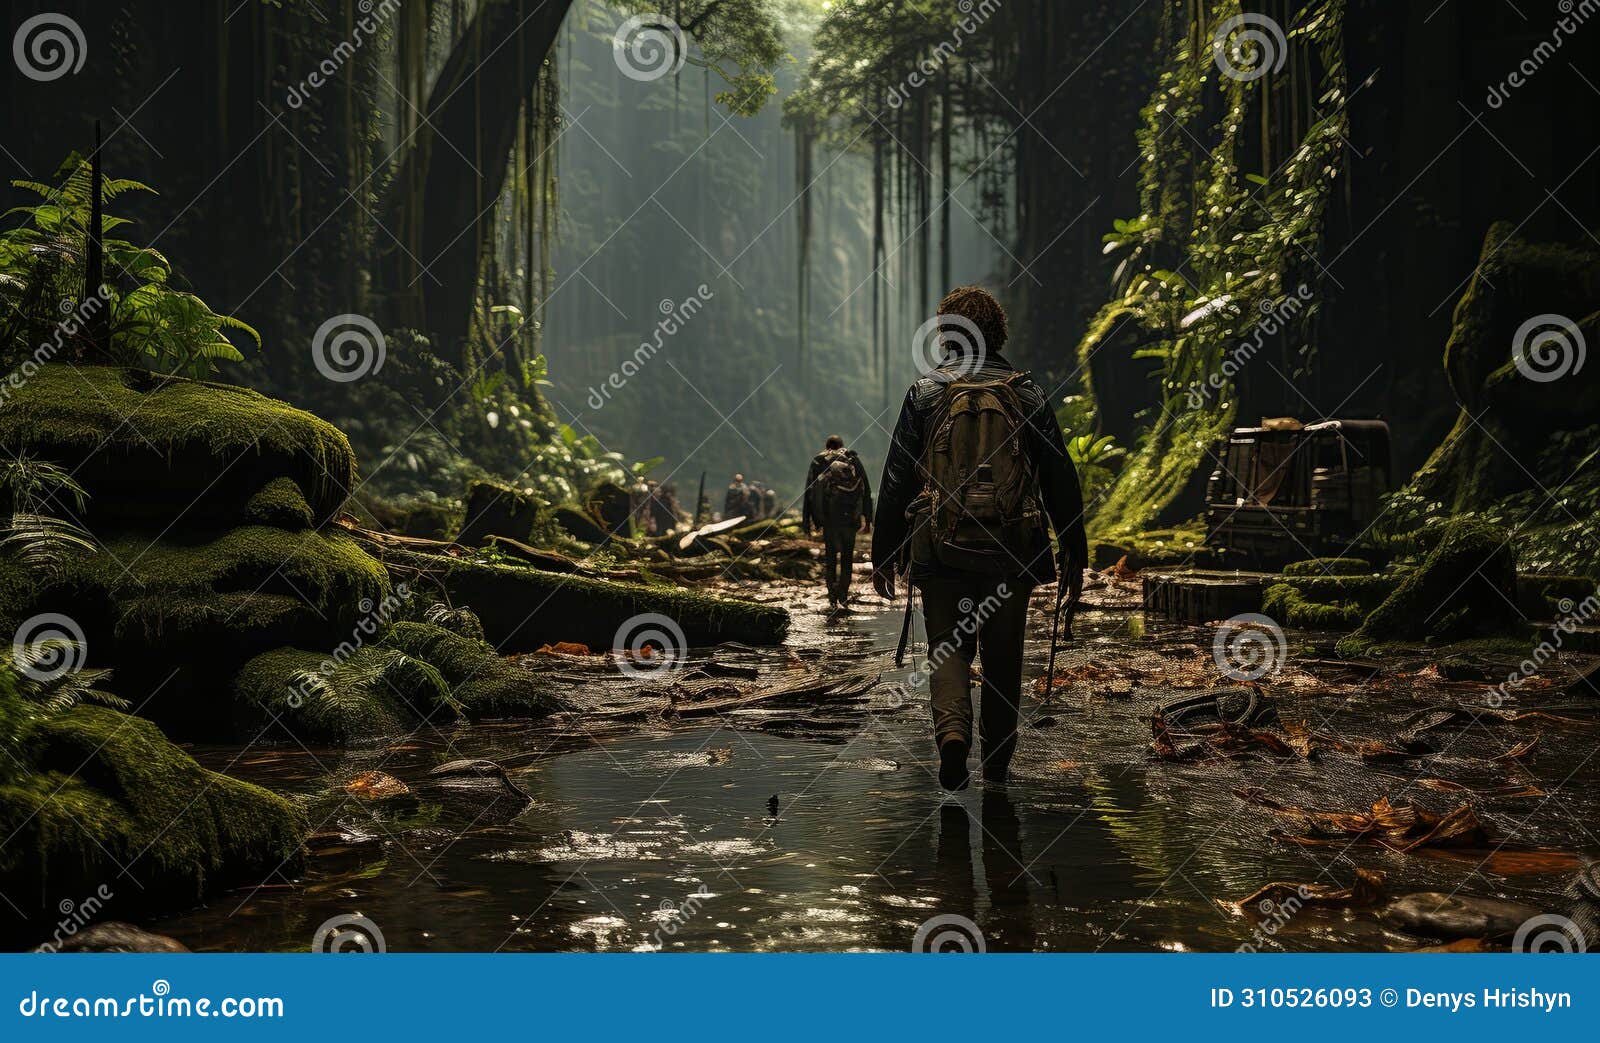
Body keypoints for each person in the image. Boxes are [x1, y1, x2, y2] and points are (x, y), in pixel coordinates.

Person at [871, 286, 1087, 791]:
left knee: (948, 649)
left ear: (947, 335)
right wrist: (1074, 550)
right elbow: (1059, 476)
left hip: (940, 547)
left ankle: (953, 737)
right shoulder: (1026, 393)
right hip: (1013, 550)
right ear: (998, 333)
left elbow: (896, 478)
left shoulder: (926, 393)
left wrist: (884, 555)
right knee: (1003, 658)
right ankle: (996, 768)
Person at [804, 435, 873, 609]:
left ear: (827, 446)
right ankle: (843, 595)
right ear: (842, 445)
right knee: (847, 559)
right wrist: (868, 519)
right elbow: (865, 488)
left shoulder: (819, 461)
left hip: (830, 521)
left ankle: (832, 598)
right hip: (850, 520)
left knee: (831, 559)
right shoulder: (852, 459)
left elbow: (809, 492)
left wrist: (808, 522)